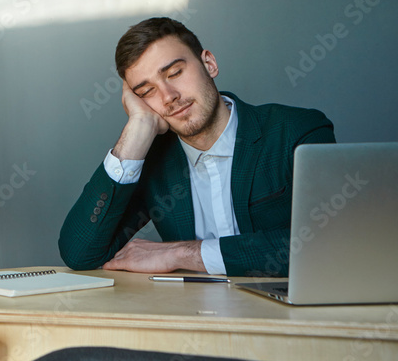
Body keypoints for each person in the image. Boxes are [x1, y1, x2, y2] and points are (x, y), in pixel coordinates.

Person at [58, 17, 334, 277]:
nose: (168, 97)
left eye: (175, 72)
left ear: (209, 64)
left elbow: (329, 241)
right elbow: (80, 253)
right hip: (194, 320)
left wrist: (181, 253)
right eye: (146, 92)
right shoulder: (154, 162)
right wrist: (137, 128)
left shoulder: (296, 130)